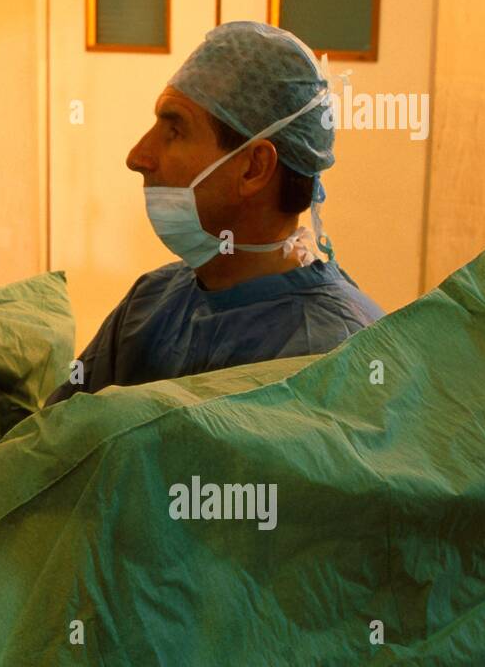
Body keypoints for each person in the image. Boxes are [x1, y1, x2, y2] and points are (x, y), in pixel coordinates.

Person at [46, 21, 384, 405]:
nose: (137, 156)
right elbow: (54, 445)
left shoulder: (335, 355)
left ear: (254, 168)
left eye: (175, 132)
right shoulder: (150, 302)